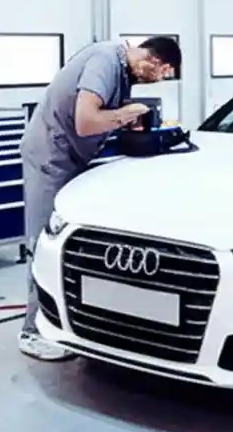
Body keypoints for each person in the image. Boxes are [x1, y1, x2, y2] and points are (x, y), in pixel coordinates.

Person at [17, 36, 181, 361]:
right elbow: (86, 120)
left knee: (73, 243)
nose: (159, 80)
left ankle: (71, 318)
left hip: (75, 159)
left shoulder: (122, 73)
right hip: (51, 158)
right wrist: (126, 113)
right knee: (45, 242)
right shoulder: (106, 61)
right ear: (154, 61)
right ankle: (32, 331)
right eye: (164, 73)